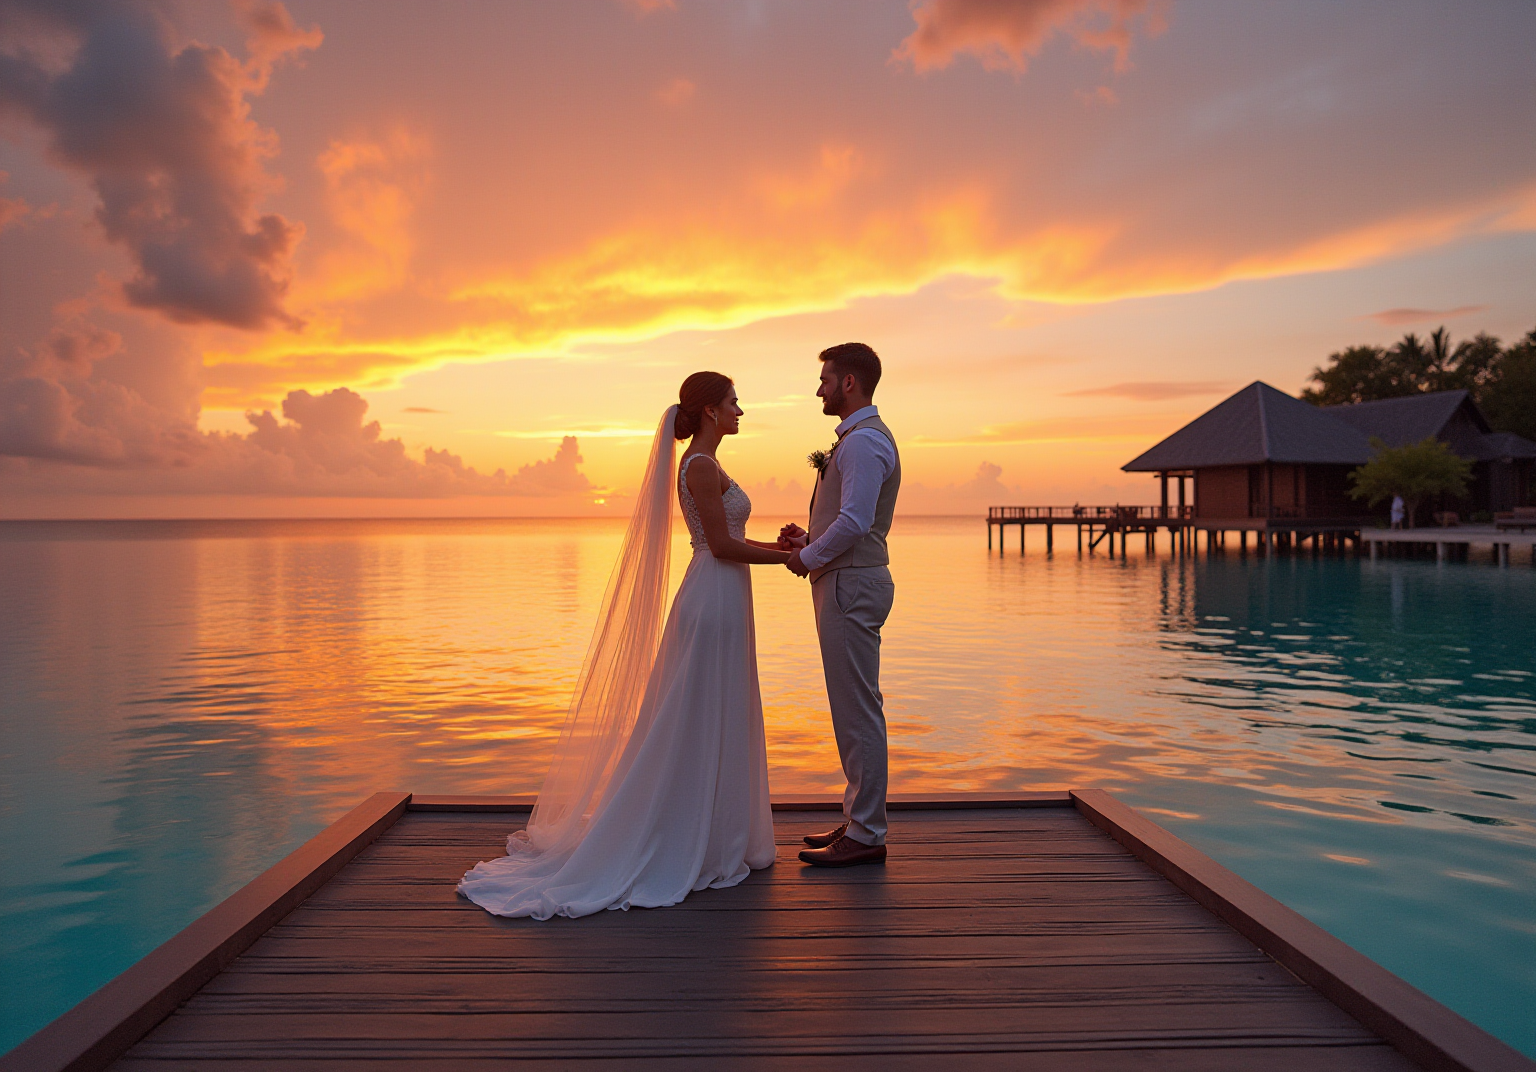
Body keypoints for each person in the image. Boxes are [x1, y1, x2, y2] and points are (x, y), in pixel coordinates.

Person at [458, 372, 788, 919]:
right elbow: (722, 544)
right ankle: (685, 834)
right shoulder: (701, 467)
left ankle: (715, 832)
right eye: (734, 402)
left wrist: (778, 544)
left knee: (719, 710)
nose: (741, 411)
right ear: (708, 410)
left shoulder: (712, 465)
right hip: (713, 597)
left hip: (725, 593)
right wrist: (791, 560)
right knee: (697, 712)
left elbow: (726, 538)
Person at [779, 342, 901, 868]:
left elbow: (856, 523)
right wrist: (810, 536)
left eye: (826, 379)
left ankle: (868, 832)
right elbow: (851, 520)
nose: (819, 388)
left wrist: (807, 555)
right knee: (851, 707)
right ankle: (859, 819)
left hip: (850, 583)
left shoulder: (864, 442)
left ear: (850, 382)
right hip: (846, 579)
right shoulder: (856, 440)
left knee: (857, 710)